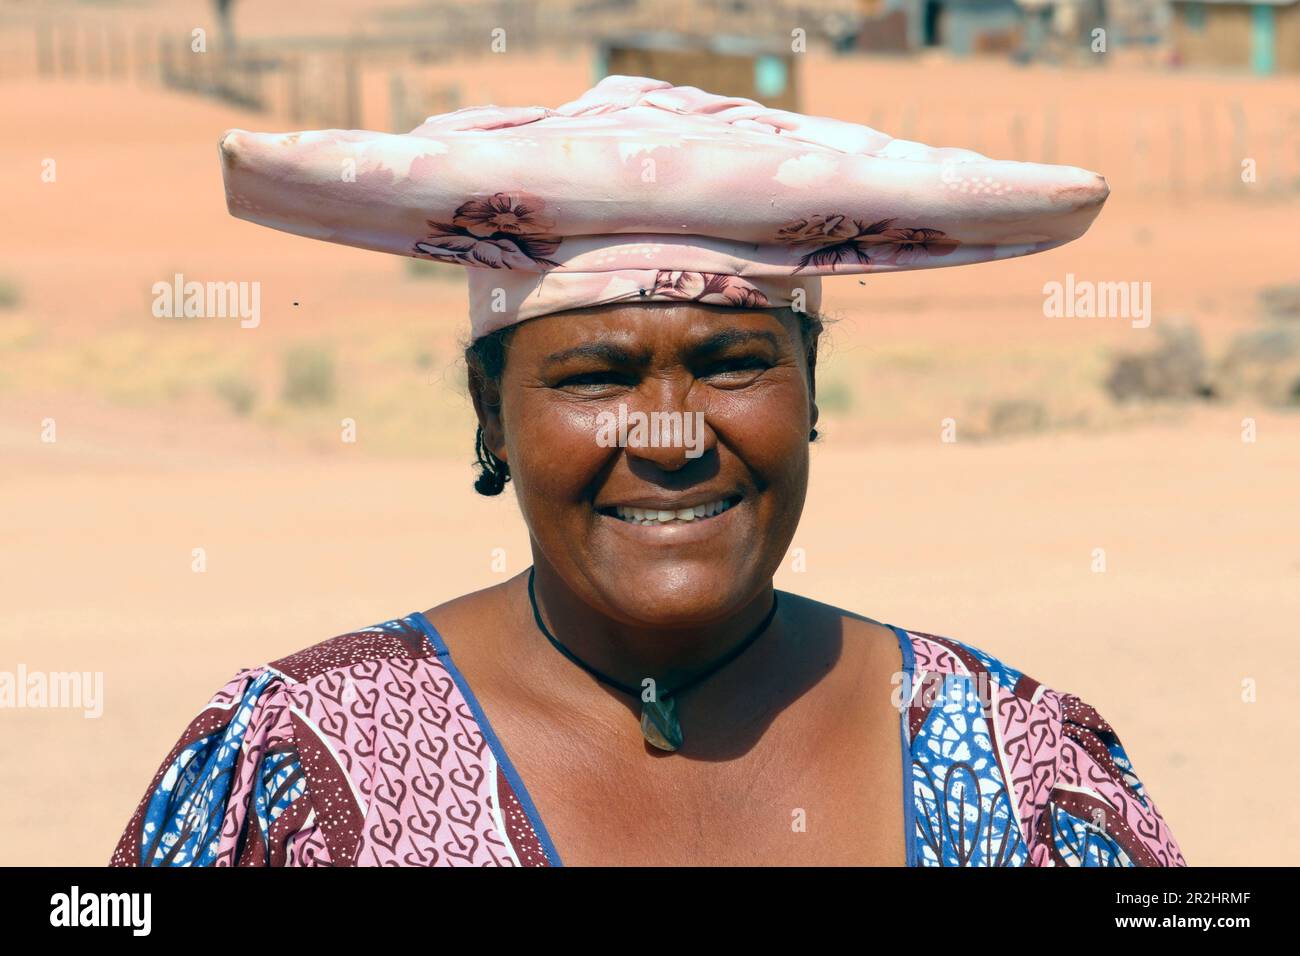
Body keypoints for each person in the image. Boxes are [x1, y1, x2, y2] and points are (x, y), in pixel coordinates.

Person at [110, 75, 1183, 867]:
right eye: (594, 375)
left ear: (809, 393)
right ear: (492, 414)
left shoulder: (1017, 764)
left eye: (730, 364)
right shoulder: (297, 756)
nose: (670, 435)